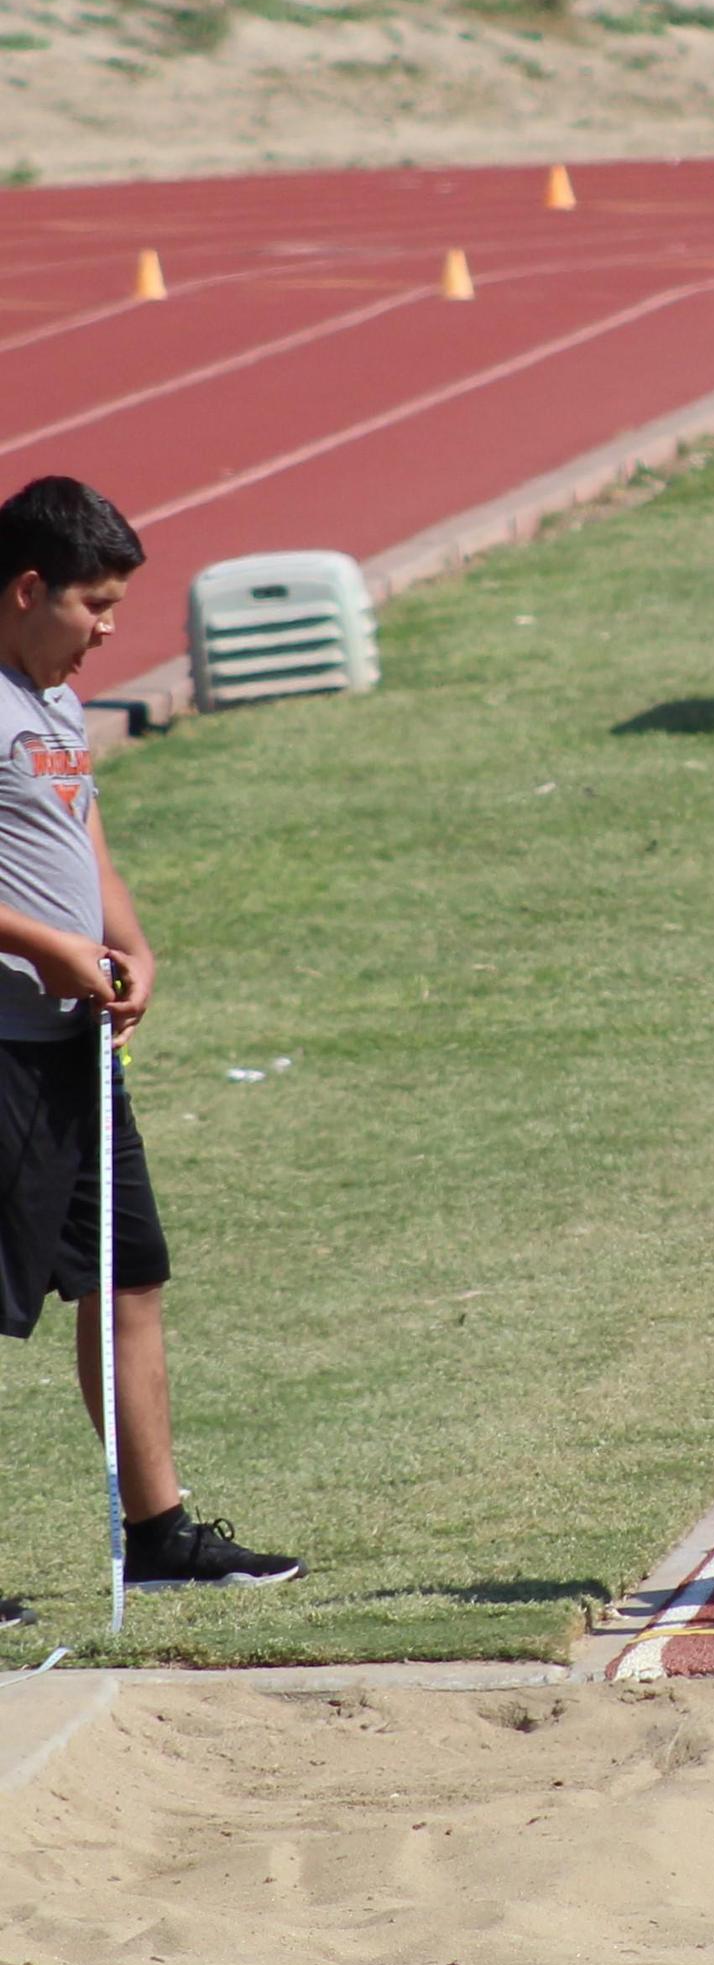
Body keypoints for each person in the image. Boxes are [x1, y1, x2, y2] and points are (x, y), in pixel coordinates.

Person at [0, 476, 302, 1627]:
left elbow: (82, 839)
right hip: (7, 1046)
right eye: (94, 605)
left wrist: (127, 942)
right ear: (27, 588)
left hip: (75, 1047)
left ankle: (160, 1531)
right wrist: (46, 947)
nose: (108, 631)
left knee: (127, 1274)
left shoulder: (55, 702)